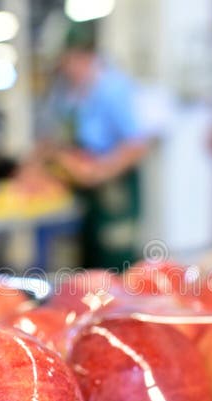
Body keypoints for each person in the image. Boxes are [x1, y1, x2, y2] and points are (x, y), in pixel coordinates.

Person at [35, 22, 148, 269]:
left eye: (67, 61)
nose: (65, 69)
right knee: (86, 263)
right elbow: (57, 137)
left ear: (83, 55)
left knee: (115, 262)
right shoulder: (67, 92)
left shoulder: (113, 87)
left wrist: (99, 171)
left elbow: (137, 144)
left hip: (114, 191)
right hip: (84, 193)